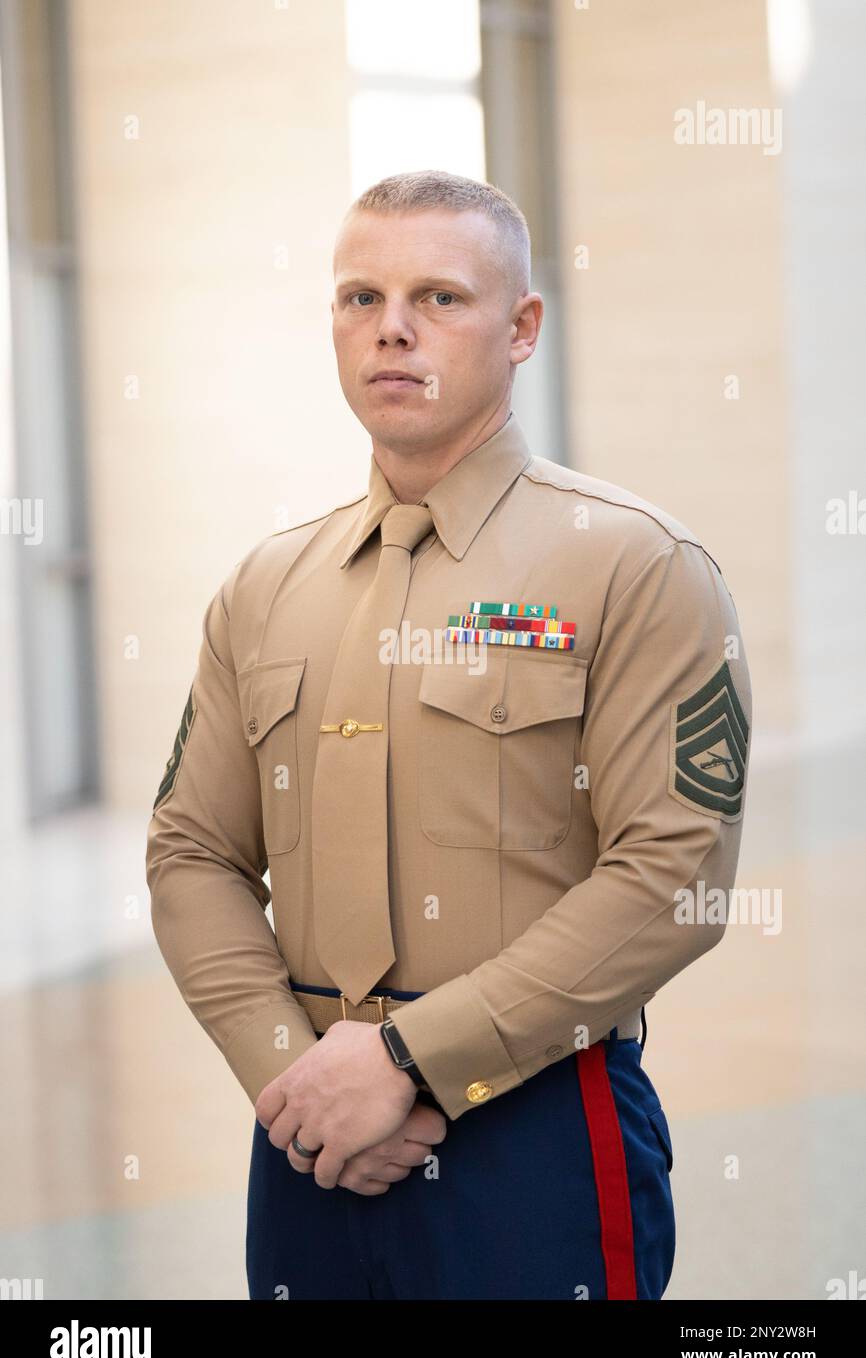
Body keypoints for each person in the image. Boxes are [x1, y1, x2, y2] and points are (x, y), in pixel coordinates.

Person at [145, 169, 751, 1300]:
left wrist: (409, 1058)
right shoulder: (264, 587)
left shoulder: (631, 564)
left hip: (534, 1127)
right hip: (311, 1135)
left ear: (520, 326)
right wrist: (299, 1080)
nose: (391, 330)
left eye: (437, 297)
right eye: (358, 298)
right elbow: (191, 853)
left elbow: (673, 877)